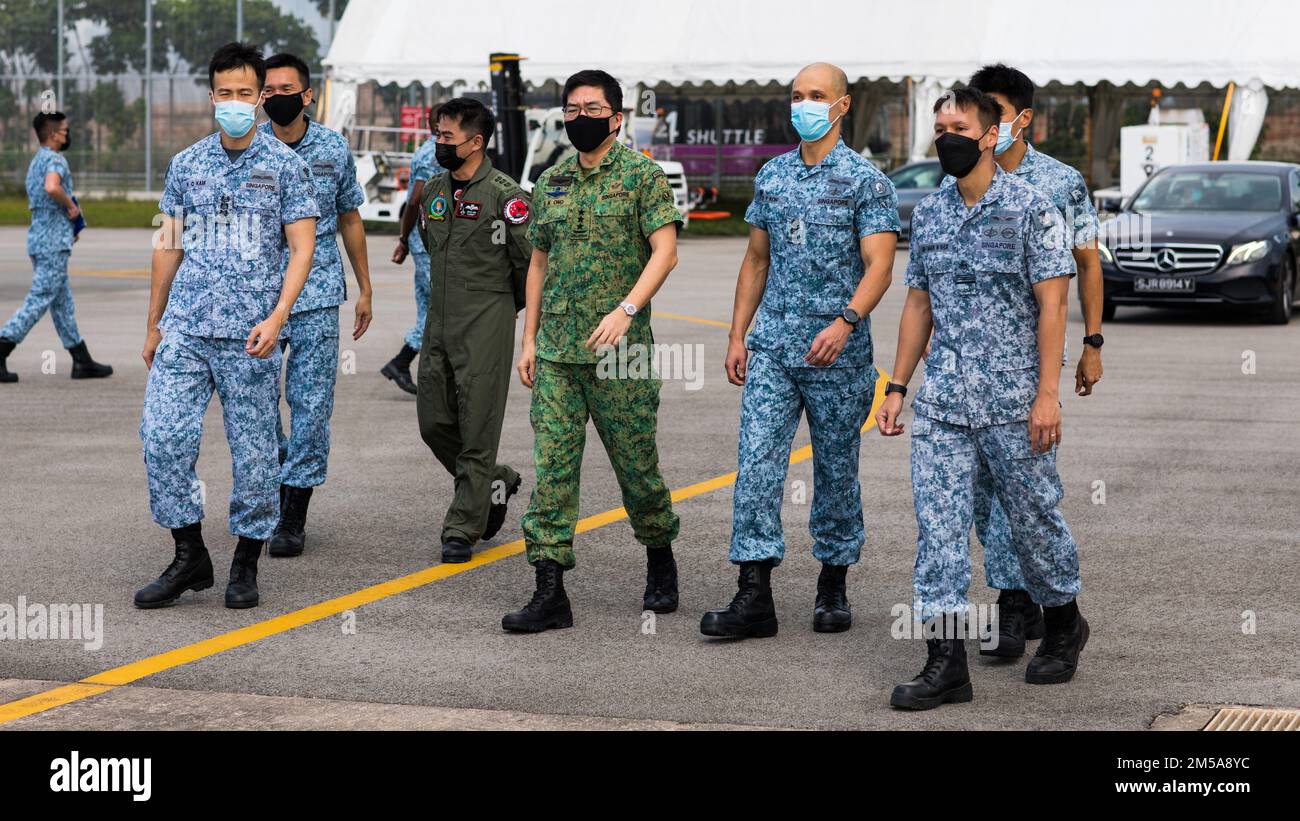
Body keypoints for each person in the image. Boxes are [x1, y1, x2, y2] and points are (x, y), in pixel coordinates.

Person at [877, 88, 1087, 710]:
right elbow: (918, 304)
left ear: (991, 134)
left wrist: (1048, 394)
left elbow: (1053, 306)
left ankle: (1063, 621)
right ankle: (946, 663)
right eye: (940, 128)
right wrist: (896, 386)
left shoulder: (1032, 209)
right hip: (942, 403)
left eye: (959, 127)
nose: (947, 138)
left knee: (1032, 522)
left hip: (1013, 401)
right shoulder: (932, 211)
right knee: (938, 529)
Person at [699, 63, 898, 639]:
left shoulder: (866, 181)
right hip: (773, 349)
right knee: (757, 462)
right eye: (796, 96)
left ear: (842, 106)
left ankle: (833, 581)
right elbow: (756, 259)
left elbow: (880, 266)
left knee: (837, 469)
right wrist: (737, 333)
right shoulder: (774, 176)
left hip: (836, 352)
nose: (804, 104)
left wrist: (846, 321)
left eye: (816, 96)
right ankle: (753, 592)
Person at [134, 43, 319, 610]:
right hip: (187, 328)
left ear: (262, 98)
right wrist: (154, 322)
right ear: (211, 96)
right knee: (162, 437)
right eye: (225, 93)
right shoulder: (187, 163)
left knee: (256, 452)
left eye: (246, 93)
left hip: (251, 334)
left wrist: (279, 315)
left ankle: (246, 559)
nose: (235, 102)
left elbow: (302, 248)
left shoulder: (288, 165)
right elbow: (169, 243)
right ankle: (189, 554)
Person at [506, 69, 681, 632]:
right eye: (572, 109)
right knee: (552, 469)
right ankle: (549, 589)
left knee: (637, 467)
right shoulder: (551, 180)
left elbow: (665, 251)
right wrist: (528, 338)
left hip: (619, 354)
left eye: (592, 108)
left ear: (617, 116)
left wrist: (625, 309)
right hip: (558, 351)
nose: (581, 118)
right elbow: (537, 261)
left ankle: (659, 556)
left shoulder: (641, 177)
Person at [958, 64, 1105, 657]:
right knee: (982, 489)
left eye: (993, 110)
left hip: (1031, 360)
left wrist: (1093, 344)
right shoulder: (965, 181)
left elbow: (1088, 262)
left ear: (1021, 119)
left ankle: (1049, 606)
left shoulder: (1061, 183)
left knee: (1025, 483)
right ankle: (1013, 602)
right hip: (971, 360)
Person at [258, 52, 372, 557]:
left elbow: (349, 217)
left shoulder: (332, 147)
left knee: (309, 406)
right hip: (257, 296)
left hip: (319, 292)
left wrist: (366, 286)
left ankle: (293, 511)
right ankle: (277, 484)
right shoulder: (247, 147)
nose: (277, 97)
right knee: (258, 405)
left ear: (307, 94)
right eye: (268, 90)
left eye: (287, 89)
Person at [414, 98, 529, 563]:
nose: (438, 144)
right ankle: (493, 480)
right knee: (433, 421)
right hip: (439, 320)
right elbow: (429, 240)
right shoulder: (435, 191)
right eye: (437, 135)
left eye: (447, 137)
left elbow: (530, 265)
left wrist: (505, 313)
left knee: (478, 426)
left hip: (487, 318)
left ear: (476, 142)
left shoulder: (508, 196)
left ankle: (462, 525)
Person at [0, 111, 112, 383]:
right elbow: (52, 188)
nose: (67, 135)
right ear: (52, 135)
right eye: (64, 131)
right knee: (40, 298)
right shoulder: (55, 160)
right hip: (53, 242)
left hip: (39, 237)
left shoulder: (36, 161)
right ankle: (2, 346)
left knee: (62, 303)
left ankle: (81, 359)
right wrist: (71, 207)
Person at [386, 115, 444, 394]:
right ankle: (403, 360)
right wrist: (404, 240)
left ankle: (406, 364)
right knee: (440, 308)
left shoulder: (430, 149)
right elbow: (415, 199)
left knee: (429, 307)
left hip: (427, 240)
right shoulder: (433, 152)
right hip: (427, 241)